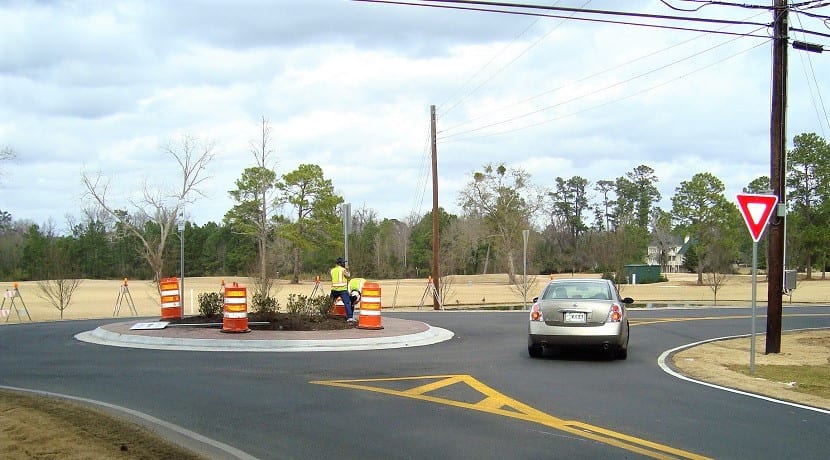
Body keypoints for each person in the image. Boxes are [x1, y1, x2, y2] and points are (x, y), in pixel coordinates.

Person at [330, 257, 355, 323]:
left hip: (334, 290)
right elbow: (348, 275)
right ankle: (349, 317)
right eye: (343, 262)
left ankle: (326, 314)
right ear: (340, 263)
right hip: (342, 290)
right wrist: (347, 269)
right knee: (347, 303)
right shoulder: (343, 270)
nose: (344, 263)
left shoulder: (332, 270)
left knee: (330, 303)